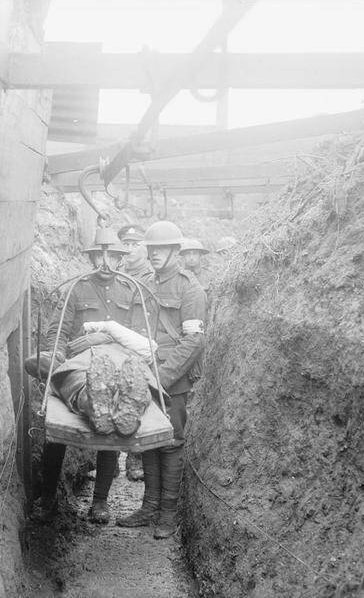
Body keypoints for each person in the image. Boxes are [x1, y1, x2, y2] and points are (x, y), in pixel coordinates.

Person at [25, 230, 138, 525]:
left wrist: (109, 344)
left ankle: (99, 502)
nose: (104, 262)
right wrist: (55, 358)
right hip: (78, 365)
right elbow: (58, 330)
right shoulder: (76, 289)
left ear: (120, 259)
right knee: (57, 429)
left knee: (109, 432)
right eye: (98, 255)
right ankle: (48, 497)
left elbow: (136, 337)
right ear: (90, 258)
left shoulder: (130, 292)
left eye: (111, 256)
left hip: (113, 367)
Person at [117, 220, 206, 539]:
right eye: (151, 249)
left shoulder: (189, 288)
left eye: (162, 249)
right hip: (144, 373)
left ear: (175, 251)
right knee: (149, 440)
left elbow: (193, 341)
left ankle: (167, 514)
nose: (154, 254)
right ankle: (149, 507)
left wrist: (163, 378)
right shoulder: (148, 284)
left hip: (172, 379)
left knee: (170, 443)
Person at [116, 223, 152, 482]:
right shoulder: (113, 273)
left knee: (138, 400)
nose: (128, 250)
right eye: (125, 244)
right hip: (116, 346)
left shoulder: (153, 277)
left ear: (145, 248)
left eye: (134, 244)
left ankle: (135, 457)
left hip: (142, 346)